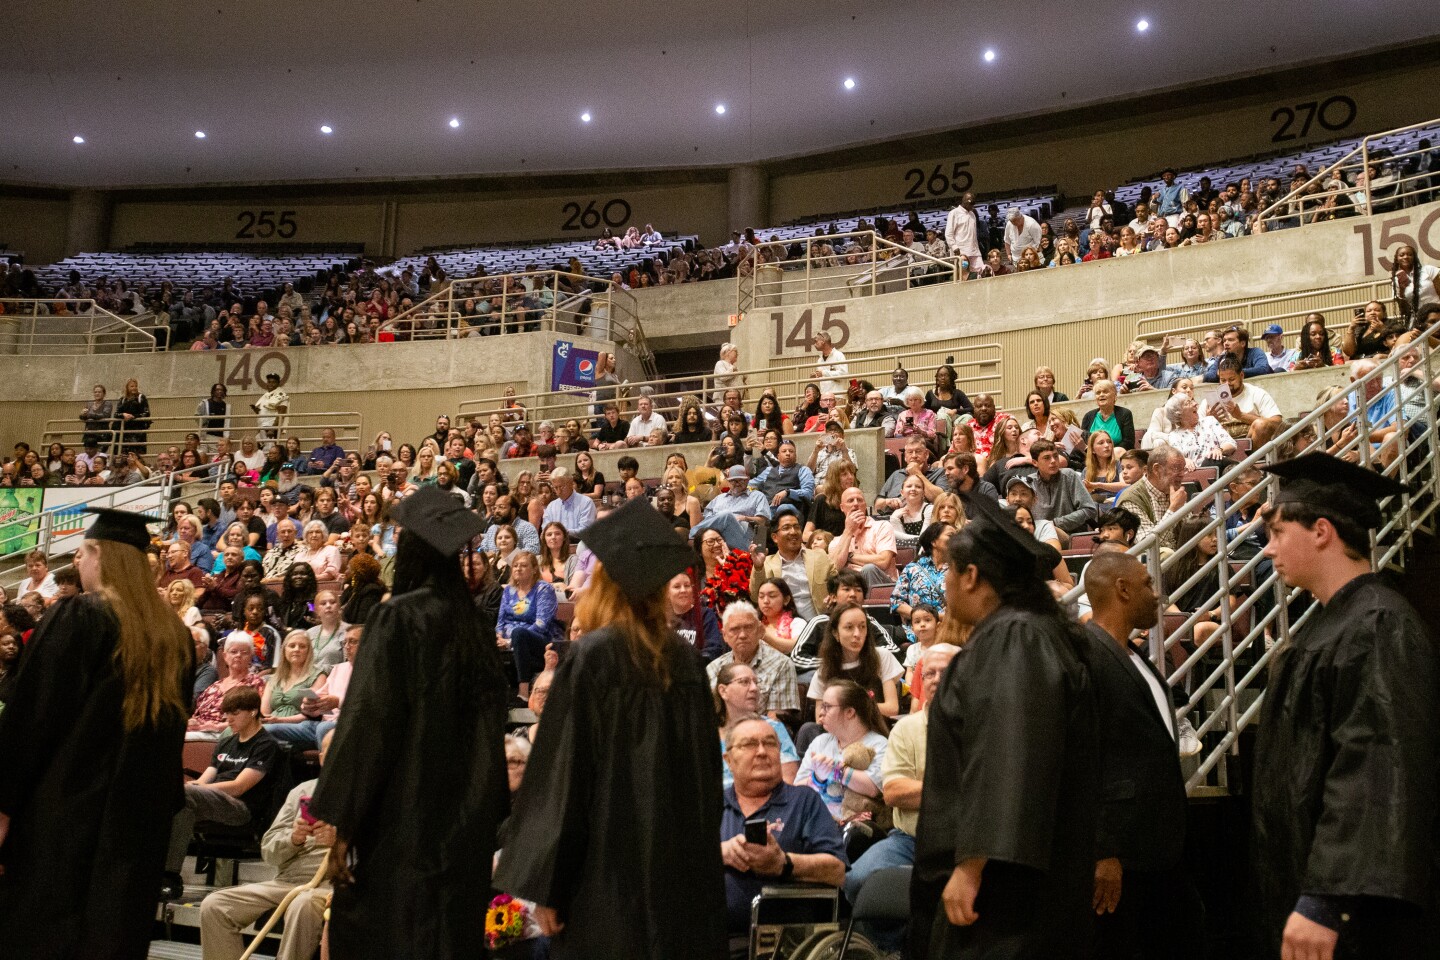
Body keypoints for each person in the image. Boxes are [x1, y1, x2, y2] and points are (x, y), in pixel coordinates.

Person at [496, 498, 728, 959]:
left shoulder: (589, 658)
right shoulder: (685, 662)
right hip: (678, 874)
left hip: (604, 879)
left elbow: (564, 779)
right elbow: (705, 783)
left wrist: (550, 883)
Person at [309, 486, 510, 960]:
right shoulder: (476, 629)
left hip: (404, 822)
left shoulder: (396, 618)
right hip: (466, 828)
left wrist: (341, 818)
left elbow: (368, 722)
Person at [1252, 454, 1439, 959]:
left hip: (1358, 915)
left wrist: (1327, 900)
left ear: (1321, 530)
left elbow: (1376, 763)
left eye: (1276, 532)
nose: (1267, 550)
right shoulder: (1334, 623)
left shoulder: (1377, 625)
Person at [0, 508, 192, 960]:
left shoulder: (80, 616)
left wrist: (4, 802)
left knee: (43, 933)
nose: (80, 564)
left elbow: (34, 717)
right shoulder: (176, 637)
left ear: (102, 556)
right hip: (136, 825)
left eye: (83, 553)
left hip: (66, 814)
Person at [911, 495, 1096, 960]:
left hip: (1003, 892)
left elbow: (1009, 752)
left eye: (950, 571)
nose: (945, 584)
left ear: (971, 576)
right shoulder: (1025, 631)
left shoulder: (1017, 637)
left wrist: (972, 864)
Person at [1083, 553, 1204, 960]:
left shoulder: (1134, 656)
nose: (1156, 595)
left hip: (1157, 850)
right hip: (1120, 856)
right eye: (1149, 585)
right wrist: (1104, 849)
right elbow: (1085, 759)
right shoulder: (1087, 656)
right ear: (1122, 589)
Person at [845, 643, 961, 945]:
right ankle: (892, 946)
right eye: (929, 673)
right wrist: (961, 789)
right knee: (856, 880)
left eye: (945, 672)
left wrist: (922, 789)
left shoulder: (984, 726)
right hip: (909, 839)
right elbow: (894, 793)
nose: (936, 679)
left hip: (965, 844)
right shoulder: (907, 729)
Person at [198, 728, 336, 960]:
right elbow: (269, 850)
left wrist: (340, 843)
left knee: (302, 904)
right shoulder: (301, 792)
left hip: (334, 885)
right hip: (289, 881)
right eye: (331, 753)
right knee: (215, 905)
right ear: (321, 758)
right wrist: (293, 838)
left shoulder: (371, 795)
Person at [720, 715, 847, 937]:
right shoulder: (711, 805)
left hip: (782, 942)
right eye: (749, 744)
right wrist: (721, 853)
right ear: (728, 759)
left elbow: (837, 871)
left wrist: (783, 863)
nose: (761, 751)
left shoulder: (804, 801)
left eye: (770, 743)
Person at [162, 685, 280, 895]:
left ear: (253, 711)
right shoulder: (226, 742)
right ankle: (168, 876)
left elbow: (239, 787)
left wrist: (196, 789)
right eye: (226, 714)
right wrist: (193, 786)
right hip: (214, 800)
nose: (229, 719)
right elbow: (208, 774)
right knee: (182, 806)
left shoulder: (265, 744)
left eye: (235, 713)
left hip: (242, 808)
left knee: (182, 794)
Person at [706, 600, 801, 718]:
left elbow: (776, 722)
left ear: (760, 630)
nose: (742, 635)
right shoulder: (713, 669)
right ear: (724, 635)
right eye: (735, 629)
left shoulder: (781, 665)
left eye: (748, 627)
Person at [714, 668, 800, 786]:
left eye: (756, 682)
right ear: (723, 691)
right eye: (744, 682)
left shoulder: (773, 728)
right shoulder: (706, 734)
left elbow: (789, 780)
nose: (754, 688)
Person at [749, 506, 835, 620]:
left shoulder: (819, 556)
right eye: (786, 528)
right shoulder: (766, 564)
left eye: (796, 527)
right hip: (784, 627)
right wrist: (758, 567)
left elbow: (838, 584)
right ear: (775, 537)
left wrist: (835, 596)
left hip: (819, 622)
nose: (793, 532)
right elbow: (755, 597)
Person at [828, 486, 898, 587]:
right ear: (842, 507)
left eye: (859, 500)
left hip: (883, 586)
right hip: (851, 587)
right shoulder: (836, 541)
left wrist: (849, 556)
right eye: (850, 500)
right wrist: (848, 531)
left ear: (865, 505)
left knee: (869, 569)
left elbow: (883, 561)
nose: (856, 504)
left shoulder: (882, 526)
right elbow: (833, 569)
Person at [252, 372, 290, 439]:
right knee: (261, 447)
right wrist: (257, 410)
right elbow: (265, 411)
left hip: (271, 428)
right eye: (269, 382)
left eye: (273, 382)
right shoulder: (266, 395)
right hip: (262, 426)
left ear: (278, 384)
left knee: (271, 448)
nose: (271, 384)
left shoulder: (282, 395)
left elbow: (281, 414)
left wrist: (272, 429)